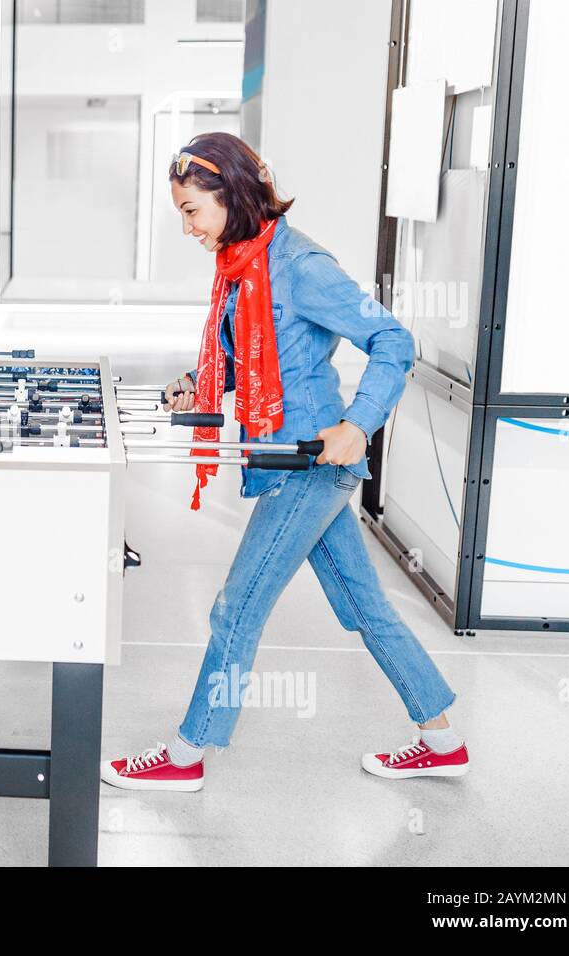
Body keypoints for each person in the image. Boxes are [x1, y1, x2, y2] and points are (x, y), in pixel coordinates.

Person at [102, 133, 469, 792]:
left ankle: (186, 755)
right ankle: (441, 739)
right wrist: (199, 379)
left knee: (235, 609)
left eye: (191, 210)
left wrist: (360, 424)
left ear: (231, 195)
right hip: (282, 460)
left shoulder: (299, 265)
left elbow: (392, 338)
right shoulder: (242, 266)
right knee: (365, 606)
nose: (187, 227)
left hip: (310, 465)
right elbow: (252, 360)